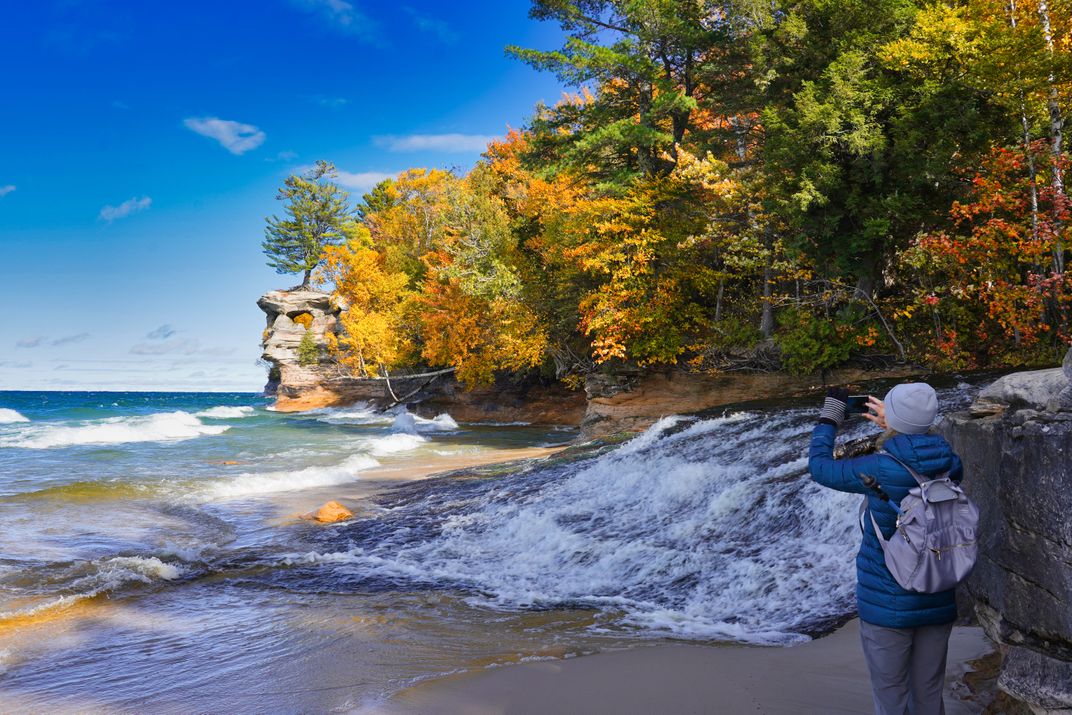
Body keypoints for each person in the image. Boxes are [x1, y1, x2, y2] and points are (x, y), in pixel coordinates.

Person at [808, 383, 964, 715]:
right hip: (938, 595)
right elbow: (921, 450)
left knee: (891, 696)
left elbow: (819, 468)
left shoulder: (880, 468)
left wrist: (829, 417)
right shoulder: (949, 462)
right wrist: (899, 429)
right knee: (928, 694)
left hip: (886, 602)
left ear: (893, 417)